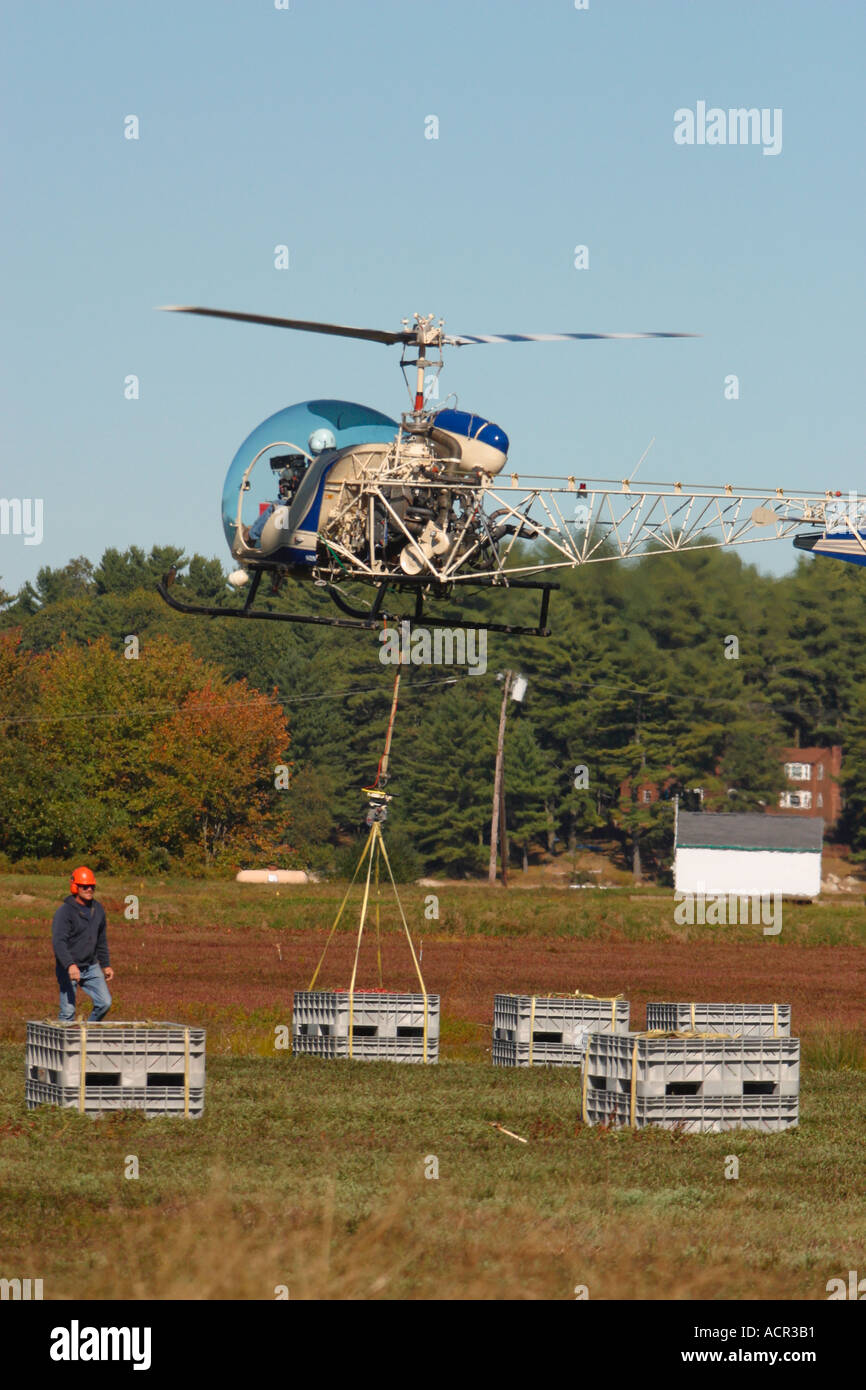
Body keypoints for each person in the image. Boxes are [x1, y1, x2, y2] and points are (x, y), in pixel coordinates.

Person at [52, 866, 114, 1022]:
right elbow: (59, 942)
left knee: (105, 1003)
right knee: (68, 1012)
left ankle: (85, 1035)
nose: (89, 889)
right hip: (69, 968)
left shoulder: (98, 909)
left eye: (92, 886)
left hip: (91, 966)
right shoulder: (65, 912)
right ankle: (65, 1045)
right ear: (75, 887)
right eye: (84, 886)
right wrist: (69, 965)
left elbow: (101, 939)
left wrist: (106, 965)